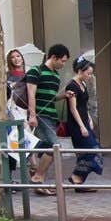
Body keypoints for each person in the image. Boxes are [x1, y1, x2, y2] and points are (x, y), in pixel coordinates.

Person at [24, 43, 69, 195]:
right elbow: (31, 94)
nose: (63, 64)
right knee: (54, 147)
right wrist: (32, 115)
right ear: (53, 57)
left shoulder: (56, 76)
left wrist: (64, 96)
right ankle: (38, 177)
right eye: (62, 61)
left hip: (51, 116)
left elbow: (50, 97)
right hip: (40, 116)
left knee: (46, 147)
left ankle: (38, 178)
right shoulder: (35, 71)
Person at [60, 54, 101, 191]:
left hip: (84, 120)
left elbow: (84, 105)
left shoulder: (82, 84)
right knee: (90, 150)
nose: (89, 76)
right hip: (76, 124)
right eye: (88, 73)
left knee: (89, 150)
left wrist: (88, 118)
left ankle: (79, 180)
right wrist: (82, 126)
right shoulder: (71, 86)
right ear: (80, 71)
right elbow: (73, 108)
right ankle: (76, 177)